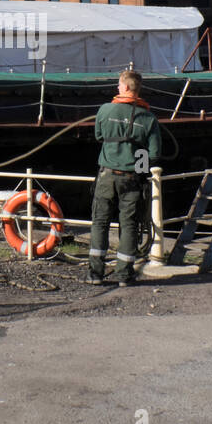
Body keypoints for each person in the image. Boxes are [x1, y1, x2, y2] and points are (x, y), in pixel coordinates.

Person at [89, 69, 162, 287]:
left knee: (100, 222)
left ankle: (95, 273)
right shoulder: (149, 118)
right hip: (132, 179)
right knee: (129, 224)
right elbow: (155, 154)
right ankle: (123, 275)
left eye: (119, 85)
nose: (117, 88)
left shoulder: (105, 109)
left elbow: (99, 136)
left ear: (127, 87)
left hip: (106, 175)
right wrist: (139, 168)